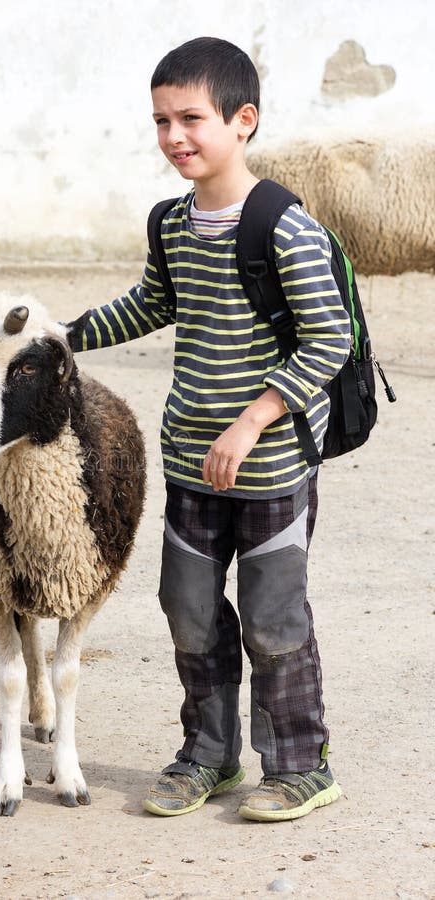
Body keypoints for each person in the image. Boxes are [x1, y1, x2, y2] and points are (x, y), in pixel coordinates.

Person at [66, 36, 349, 821]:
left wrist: (254, 420)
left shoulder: (285, 227)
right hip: (192, 459)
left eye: (190, 117)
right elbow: (150, 304)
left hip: (270, 464)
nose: (173, 136)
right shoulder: (172, 222)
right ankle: (209, 756)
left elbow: (331, 339)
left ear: (243, 120)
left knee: (273, 617)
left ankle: (300, 765)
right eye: (160, 121)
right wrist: (59, 336)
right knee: (186, 606)